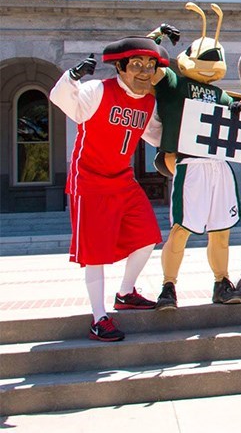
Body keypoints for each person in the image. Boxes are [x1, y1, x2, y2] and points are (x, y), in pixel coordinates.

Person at [49, 38, 169, 342]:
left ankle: (126, 292)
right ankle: (99, 317)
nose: (144, 72)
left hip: (122, 179)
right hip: (89, 180)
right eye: (137, 65)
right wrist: (73, 77)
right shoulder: (98, 90)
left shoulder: (148, 102)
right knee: (95, 255)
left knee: (147, 237)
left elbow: (156, 135)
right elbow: (65, 102)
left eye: (150, 66)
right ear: (120, 67)